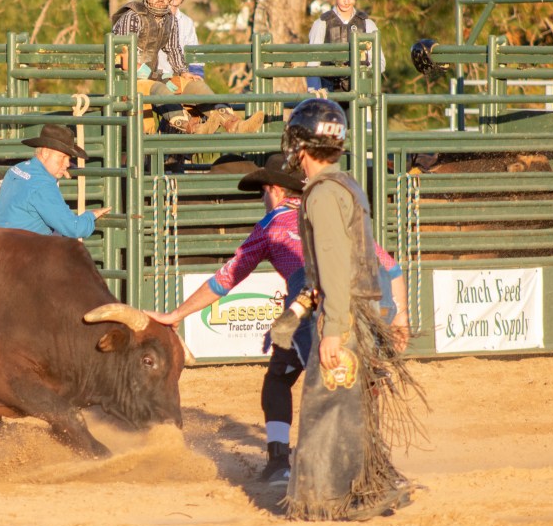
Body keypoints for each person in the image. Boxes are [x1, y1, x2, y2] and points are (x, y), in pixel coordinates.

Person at [146, 152, 408, 487]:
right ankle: (377, 459)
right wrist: (401, 317)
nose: (262, 200)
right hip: (374, 298)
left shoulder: (270, 225)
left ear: (274, 190)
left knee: (301, 381)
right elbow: (392, 267)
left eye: (262, 193)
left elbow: (226, 278)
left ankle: (283, 461)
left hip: (316, 298)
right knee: (359, 378)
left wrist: (176, 314)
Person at [272, 97, 422, 521]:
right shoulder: (348, 184)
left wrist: (332, 329)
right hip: (365, 308)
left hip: (346, 315)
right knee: (355, 406)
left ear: (301, 146)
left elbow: (335, 264)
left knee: (328, 407)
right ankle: (370, 484)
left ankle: (327, 499)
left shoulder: (319, 195)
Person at [0, 124, 111, 414]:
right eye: (65, 157)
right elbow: (72, 227)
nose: (68, 164)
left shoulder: (18, 171)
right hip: (21, 270)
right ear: (50, 153)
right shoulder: (42, 185)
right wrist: (91, 215)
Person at [112, 0, 263, 135]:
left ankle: (233, 123)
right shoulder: (133, 16)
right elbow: (126, 61)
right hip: (125, 79)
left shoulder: (169, 18)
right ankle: (192, 127)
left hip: (152, 75)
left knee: (194, 85)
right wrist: (157, 76)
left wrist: (184, 72)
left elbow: (174, 49)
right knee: (160, 89)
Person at [306, 0, 386, 95]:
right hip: (328, 93)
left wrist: (363, 73)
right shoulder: (321, 24)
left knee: (366, 116)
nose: (346, 1)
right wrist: (316, 94)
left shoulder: (367, 24)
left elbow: (379, 62)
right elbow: (312, 62)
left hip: (358, 93)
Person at [156, 0, 204, 80]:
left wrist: (197, 77)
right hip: (156, 77)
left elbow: (194, 53)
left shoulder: (187, 23)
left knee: (201, 92)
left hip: (181, 77)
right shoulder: (153, 18)